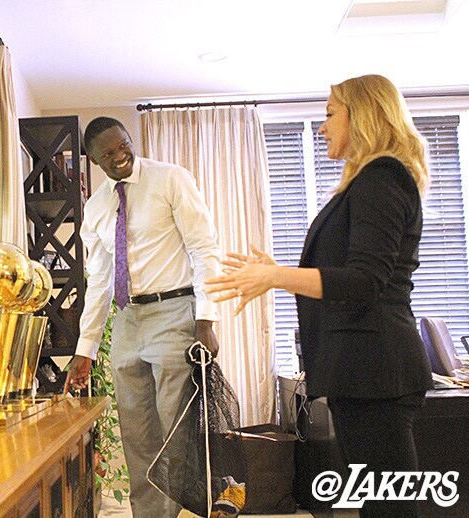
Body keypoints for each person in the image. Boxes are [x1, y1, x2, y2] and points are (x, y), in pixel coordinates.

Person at [206, 74, 433, 518]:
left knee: (391, 509)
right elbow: (350, 275)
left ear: (363, 115)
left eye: (331, 113)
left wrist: (276, 277)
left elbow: (364, 281)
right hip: (368, 371)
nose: (323, 125)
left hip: (377, 371)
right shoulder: (370, 182)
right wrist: (276, 272)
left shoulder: (381, 177)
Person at [63, 117, 222, 518]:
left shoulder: (171, 179)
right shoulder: (97, 207)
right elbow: (98, 282)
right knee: (137, 436)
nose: (120, 157)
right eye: (108, 154)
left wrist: (206, 319)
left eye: (123, 146)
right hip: (127, 322)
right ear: (94, 161)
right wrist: (86, 350)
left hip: (174, 312)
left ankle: (186, 512)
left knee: (176, 434)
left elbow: (204, 249)